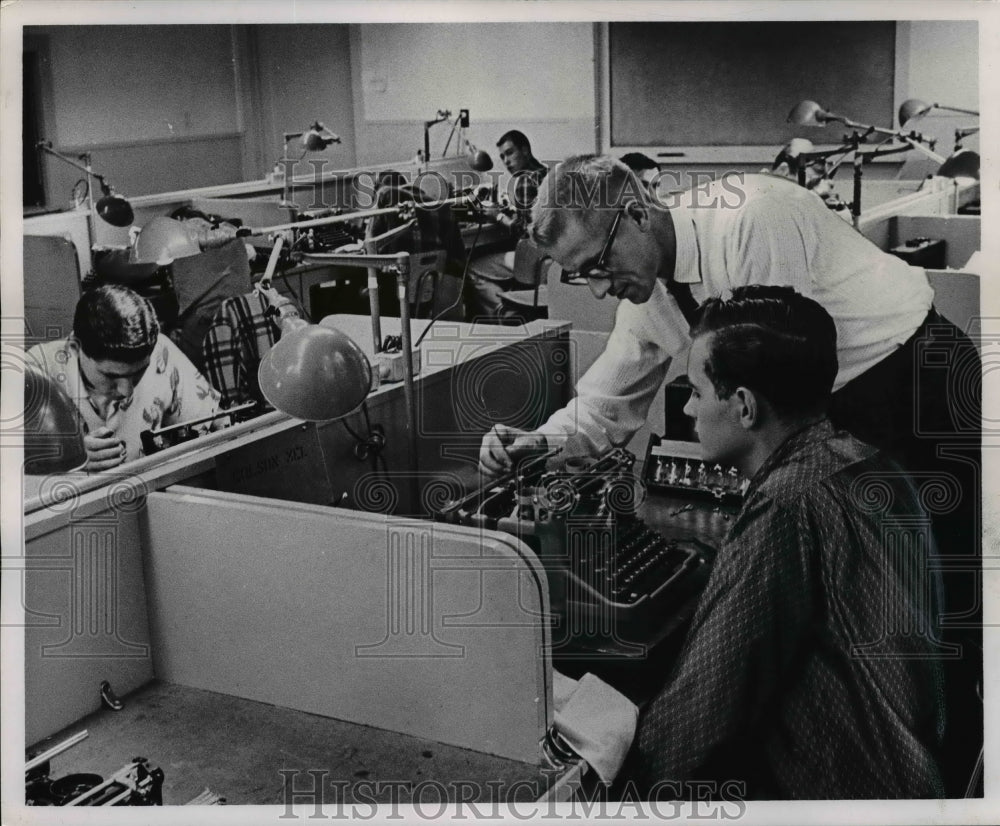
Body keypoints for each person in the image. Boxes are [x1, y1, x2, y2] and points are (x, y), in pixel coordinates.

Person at [477, 154, 981, 795]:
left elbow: (774, 380)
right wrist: (541, 444)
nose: (600, 289)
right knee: (835, 611)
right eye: (581, 280)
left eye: (598, 265)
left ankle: (955, 774)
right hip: (821, 413)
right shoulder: (649, 287)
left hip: (913, 378)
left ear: (635, 213)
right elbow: (612, 401)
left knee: (937, 611)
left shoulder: (751, 220)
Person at [616, 285, 947, 798]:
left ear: (744, 407)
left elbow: (705, 705)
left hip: (847, 789)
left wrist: (621, 794)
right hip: (914, 770)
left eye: (697, 393)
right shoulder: (869, 463)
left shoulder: (786, 505)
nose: (688, 411)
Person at [27, 283, 224, 472]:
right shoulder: (36, 371)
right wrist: (64, 458)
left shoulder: (160, 352)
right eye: (111, 375)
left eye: (138, 373)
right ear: (75, 348)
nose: (126, 391)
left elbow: (214, 424)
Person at [464, 130, 548, 322]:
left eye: (510, 153)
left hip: (534, 259)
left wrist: (498, 216)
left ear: (525, 151)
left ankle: (506, 314)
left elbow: (527, 232)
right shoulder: (548, 174)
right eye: (502, 156)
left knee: (473, 268)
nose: (506, 161)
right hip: (550, 258)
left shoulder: (525, 180)